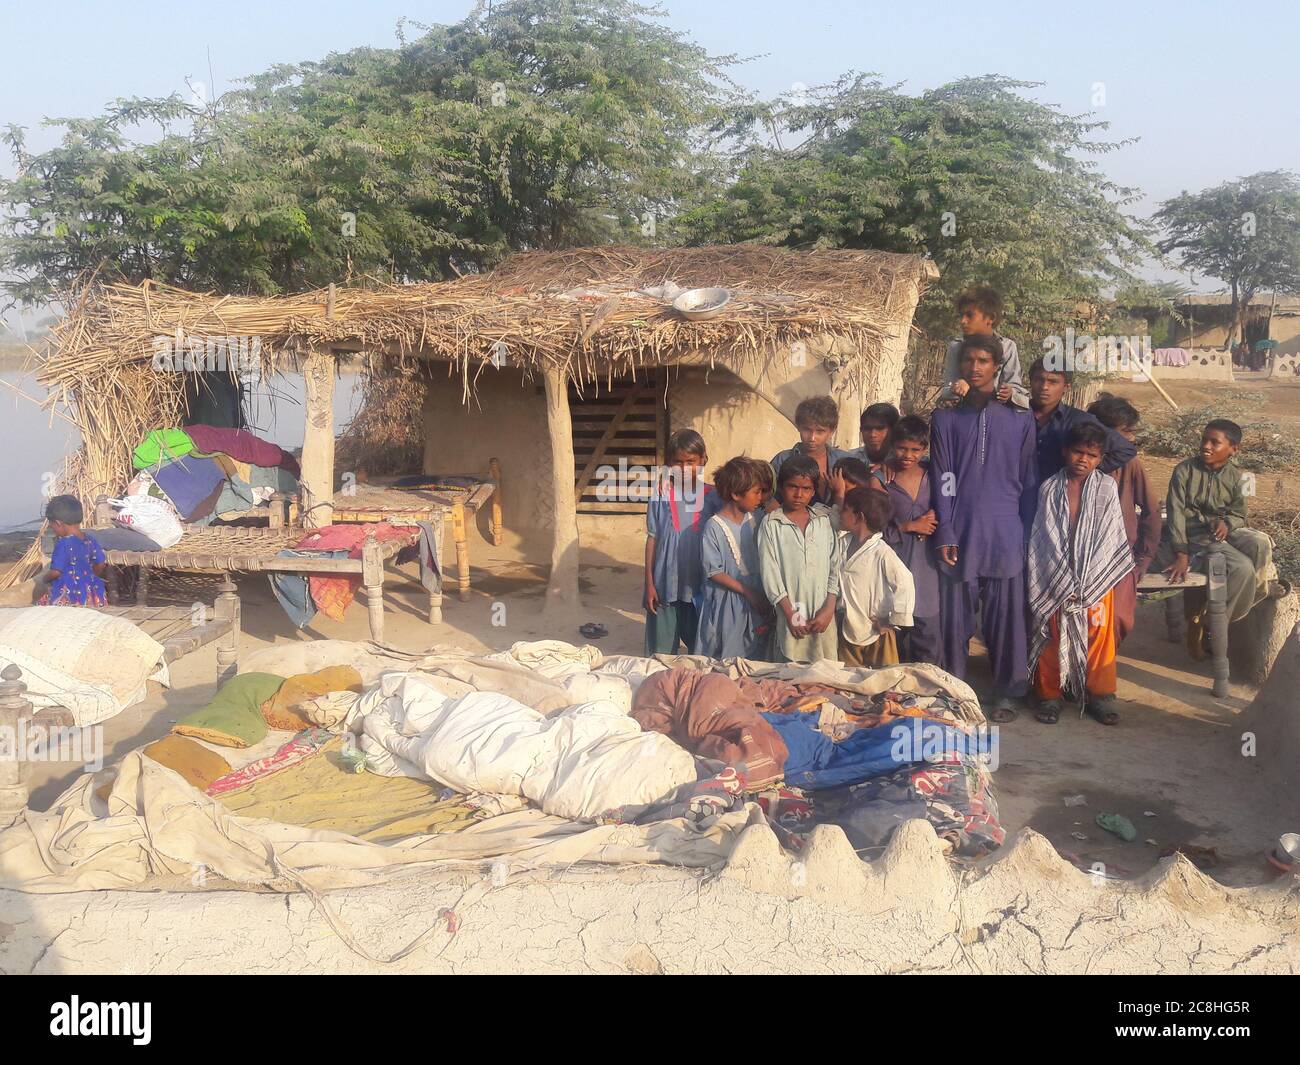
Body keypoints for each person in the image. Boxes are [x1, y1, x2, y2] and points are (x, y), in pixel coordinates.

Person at [931, 334, 1038, 720]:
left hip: (1006, 529)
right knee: (954, 616)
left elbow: (1027, 478)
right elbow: (944, 476)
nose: (975, 368)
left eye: (983, 361)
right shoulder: (945, 417)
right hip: (961, 528)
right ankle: (954, 690)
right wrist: (945, 528)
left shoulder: (1020, 419)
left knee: (1005, 616)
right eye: (969, 361)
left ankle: (1008, 692)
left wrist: (1025, 534)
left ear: (997, 366)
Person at [1027, 423, 1135, 726]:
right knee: (1051, 634)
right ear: (1066, 452)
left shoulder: (1105, 488)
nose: (1083, 460)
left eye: (1091, 455)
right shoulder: (1050, 488)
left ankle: (1098, 696)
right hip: (1055, 577)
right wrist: (1062, 579)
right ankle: (1049, 696)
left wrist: (1087, 580)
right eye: (1078, 452)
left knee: (1099, 634)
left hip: (1095, 577)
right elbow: (1044, 537)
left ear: (1100, 458)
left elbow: (1109, 536)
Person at [1150, 419, 1281, 628]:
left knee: (1260, 543)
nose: (1206, 446)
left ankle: (1228, 613)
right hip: (1192, 535)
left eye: (1214, 442)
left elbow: (1239, 513)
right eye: (1204, 440)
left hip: (1217, 534)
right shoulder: (1184, 470)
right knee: (1242, 568)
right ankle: (1214, 622)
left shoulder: (1234, 476)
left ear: (1233, 449)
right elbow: (1176, 516)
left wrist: (1227, 523)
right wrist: (1181, 554)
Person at [1087, 395, 1163, 643]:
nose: (1131, 439)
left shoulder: (1130, 463)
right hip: (1082, 555)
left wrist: (1145, 557)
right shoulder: (1079, 461)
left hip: (1120, 554)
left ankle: (1098, 671)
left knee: (1119, 618)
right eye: (1125, 432)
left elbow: (1151, 509)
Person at [870, 414, 942, 664]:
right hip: (894, 563)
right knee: (892, 635)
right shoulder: (880, 479)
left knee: (928, 633)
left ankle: (928, 693)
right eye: (901, 448)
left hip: (927, 567)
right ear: (892, 445)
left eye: (915, 450)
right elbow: (873, 529)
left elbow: (950, 505)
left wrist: (939, 514)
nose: (908, 455)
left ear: (925, 449)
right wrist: (909, 525)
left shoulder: (934, 474)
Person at [758, 455, 842, 663]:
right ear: (782, 487)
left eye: (806, 489)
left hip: (823, 613)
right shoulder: (771, 524)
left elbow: (835, 566)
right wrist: (790, 614)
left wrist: (829, 608)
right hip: (791, 614)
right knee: (790, 674)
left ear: (814, 491)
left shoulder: (824, 520)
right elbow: (770, 575)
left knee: (824, 677)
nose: (798, 494)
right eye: (792, 487)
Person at [644, 429, 718, 654]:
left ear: (704, 459)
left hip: (700, 586)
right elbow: (652, 538)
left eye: (691, 462)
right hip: (665, 583)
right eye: (678, 462)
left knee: (703, 653)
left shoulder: (715, 497)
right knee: (661, 654)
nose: (685, 469)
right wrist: (649, 582)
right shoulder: (660, 495)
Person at [695, 457, 775, 660]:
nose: (760, 498)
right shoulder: (714, 526)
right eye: (756, 492)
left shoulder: (756, 520)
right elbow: (713, 571)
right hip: (728, 604)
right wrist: (747, 592)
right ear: (736, 494)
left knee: (755, 655)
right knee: (728, 659)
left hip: (755, 601)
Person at [1027, 358, 1136, 500]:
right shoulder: (1014, 416)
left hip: (1059, 499)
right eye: (1039, 380)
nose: (1044, 387)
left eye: (1053, 382)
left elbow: (1125, 450)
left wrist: (1082, 467)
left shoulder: (1078, 420)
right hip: (1016, 500)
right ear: (1030, 381)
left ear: (1066, 386)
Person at [837, 487, 915, 667]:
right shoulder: (843, 543)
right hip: (848, 626)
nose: (840, 514)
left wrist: (892, 621)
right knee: (849, 682)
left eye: (845, 510)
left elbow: (905, 582)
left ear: (859, 517)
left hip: (878, 631)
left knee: (884, 681)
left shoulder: (882, 552)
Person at [938, 286, 1028, 409]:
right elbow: (948, 390)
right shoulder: (956, 347)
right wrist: (957, 388)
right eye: (961, 315)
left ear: (991, 318)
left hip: (996, 416)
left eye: (969, 315)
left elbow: (1015, 388)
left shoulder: (1007, 348)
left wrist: (1010, 393)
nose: (963, 321)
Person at [770, 396, 854, 507]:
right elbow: (769, 500)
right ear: (798, 427)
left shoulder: (845, 461)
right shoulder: (782, 460)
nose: (812, 438)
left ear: (831, 431)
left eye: (820, 431)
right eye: (807, 430)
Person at [41, 495, 108, 606]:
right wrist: (89, 575)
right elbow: (100, 563)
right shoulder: (90, 540)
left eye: (52, 526)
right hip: (91, 592)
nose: (52, 529)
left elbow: (56, 572)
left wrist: (45, 578)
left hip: (70, 594)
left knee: (46, 607)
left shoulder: (63, 544)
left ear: (58, 523)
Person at [854, 403, 900, 471]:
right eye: (867, 428)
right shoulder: (851, 458)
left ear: (893, 430)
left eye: (880, 429)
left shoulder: (903, 462)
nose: (873, 435)